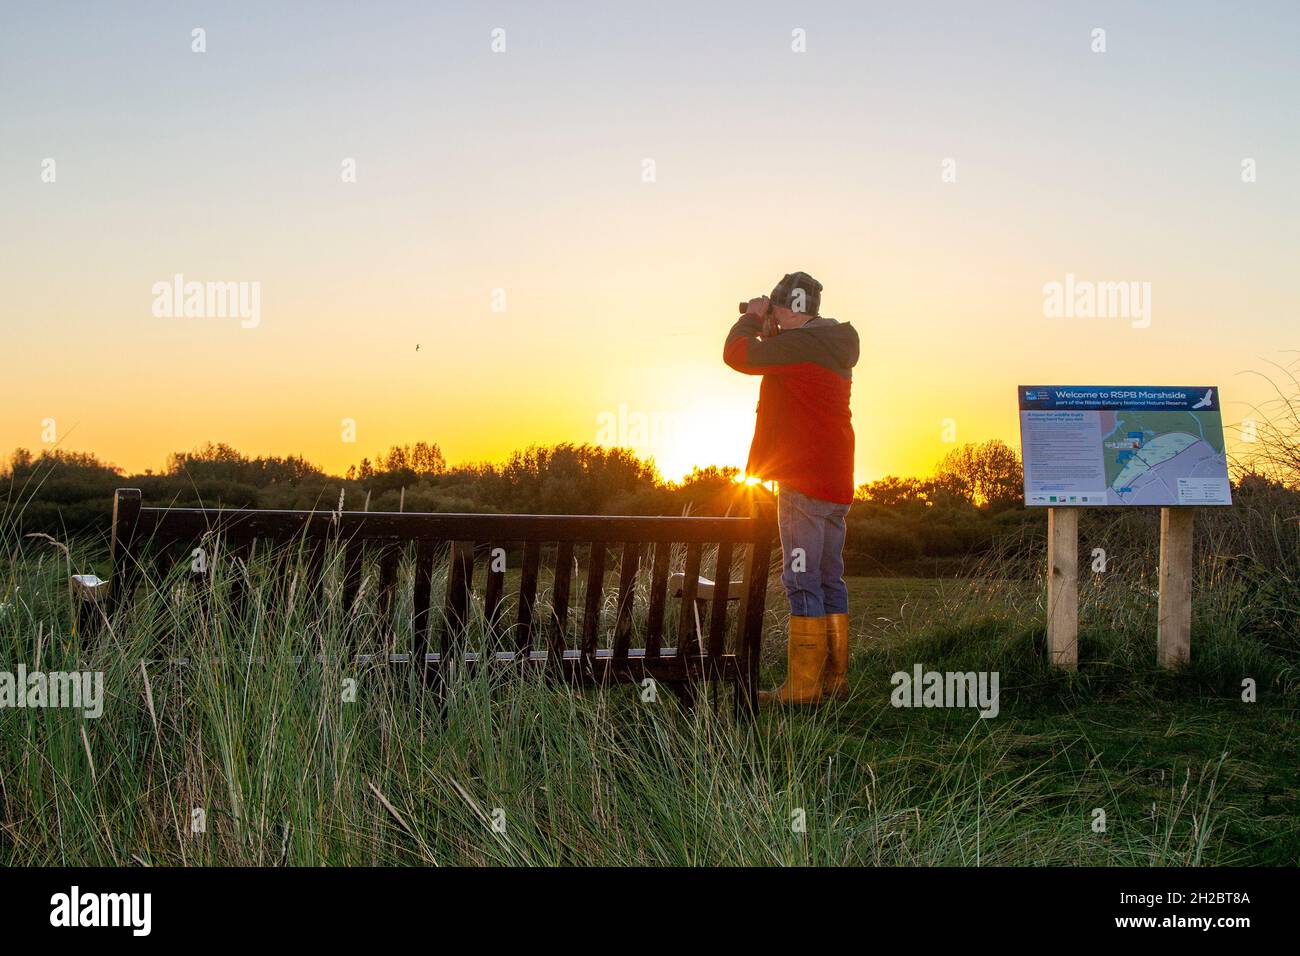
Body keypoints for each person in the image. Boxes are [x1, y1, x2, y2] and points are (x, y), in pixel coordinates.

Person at [723, 272, 860, 705]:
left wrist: (752, 319)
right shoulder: (831, 342)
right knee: (828, 578)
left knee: (801, 580)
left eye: (778, 309)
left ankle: (802, 688)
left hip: (802, 481)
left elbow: (738, 355)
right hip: (836, 482)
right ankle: (833, 681)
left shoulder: (801, 345)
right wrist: (770, 324)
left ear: (789, 308)